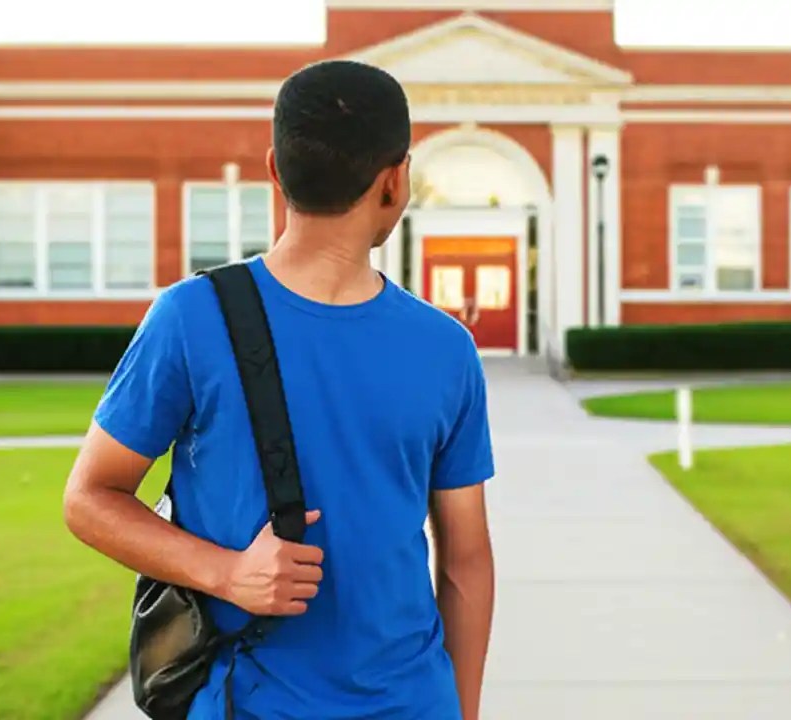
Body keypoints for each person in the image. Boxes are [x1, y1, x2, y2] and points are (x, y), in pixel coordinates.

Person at [63, 60, 496, 720]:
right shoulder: (447, 349)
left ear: (274, 169)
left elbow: (90, 497)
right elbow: (465, 564)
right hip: (402, 704)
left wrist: (224, 575)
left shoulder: (187, 317)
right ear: (396, 180)